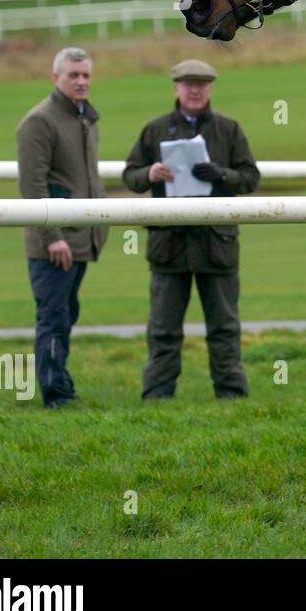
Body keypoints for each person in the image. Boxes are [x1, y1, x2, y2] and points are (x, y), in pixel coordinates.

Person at [122, 59, 260, 400]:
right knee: (163, 328)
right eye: (188, 84)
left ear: (210, 88)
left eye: (201, 84)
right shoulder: (155, 129)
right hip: (169, 244)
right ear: (176, 88)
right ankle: (157, 394)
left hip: (217, 243)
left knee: (224, 326)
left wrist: (222, 175)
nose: (195, 90)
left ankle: (231, 394)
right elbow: (130, 175)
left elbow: (250, 178)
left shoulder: (229, 129)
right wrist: (150, 174)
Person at [16, 47, 108, 408]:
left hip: (80, 239)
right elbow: (32, 186)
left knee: (67, 315)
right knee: (53, 318)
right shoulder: (39, 121)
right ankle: (55, 395)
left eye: (86, 75)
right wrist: (52, 237)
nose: (81, 81)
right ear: (56, 77)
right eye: (73, 75)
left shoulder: (85, 117)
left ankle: (61, 385)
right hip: (54, 244)